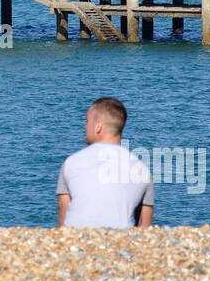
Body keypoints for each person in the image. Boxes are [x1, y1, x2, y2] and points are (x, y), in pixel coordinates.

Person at [56, 97, 153, 229]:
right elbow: (145, 228)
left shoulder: (71, 163)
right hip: (122, 243)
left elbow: (63, 216)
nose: (85, 126)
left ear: (98, 126)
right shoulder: (142, 169)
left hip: (77, 241)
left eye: (87, 121)